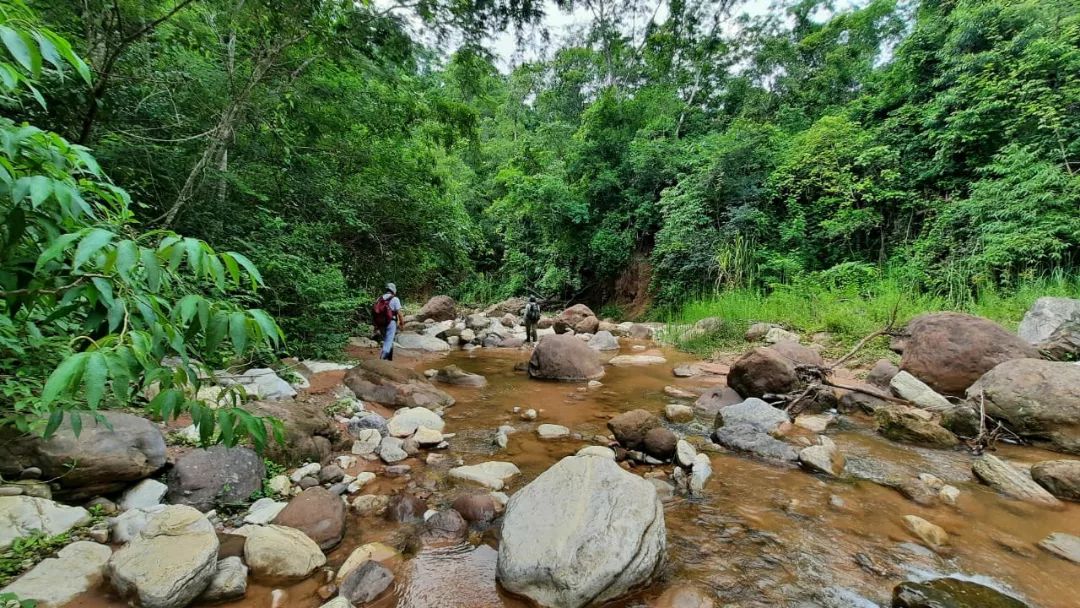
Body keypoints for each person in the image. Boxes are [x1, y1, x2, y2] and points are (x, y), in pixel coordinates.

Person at [373, 283, 403, 360]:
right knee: (388, 342)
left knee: (388, 341)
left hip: (380, 323)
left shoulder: (379, 298)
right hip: (391, 322)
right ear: (393, 290)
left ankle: (389, 361)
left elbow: (375, 312)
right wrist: (402, 324)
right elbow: (400, 314)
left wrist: (376, 325)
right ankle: (382, 360)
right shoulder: (395, 299)